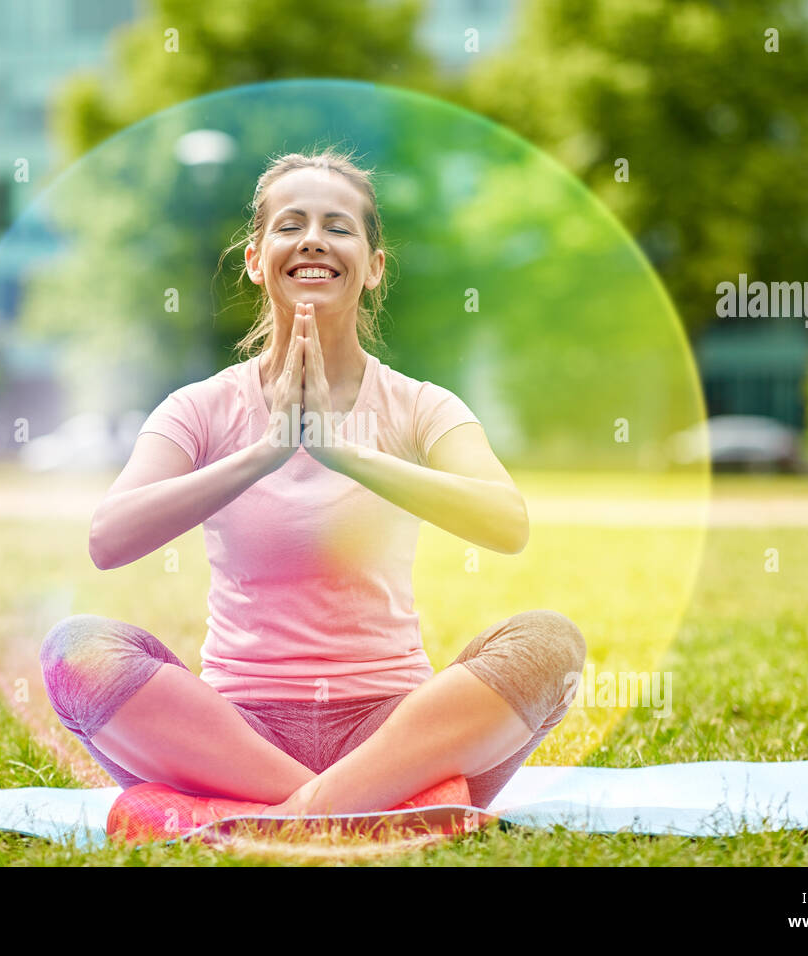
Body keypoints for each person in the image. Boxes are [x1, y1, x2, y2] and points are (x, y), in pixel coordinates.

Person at [40, 147, 585, 841]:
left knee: (548, 642)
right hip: (239, 736)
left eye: (339, 225)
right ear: (254, 257)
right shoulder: (200, 408)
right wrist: (262, 454)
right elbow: (108, 539)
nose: (314, 239)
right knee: (75, 649)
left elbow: (506, 523)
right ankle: (370, 815)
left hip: (395, 730)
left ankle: (275, 822)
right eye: (290, 223)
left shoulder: (420, 406)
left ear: (375, 264)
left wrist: (344, 453)